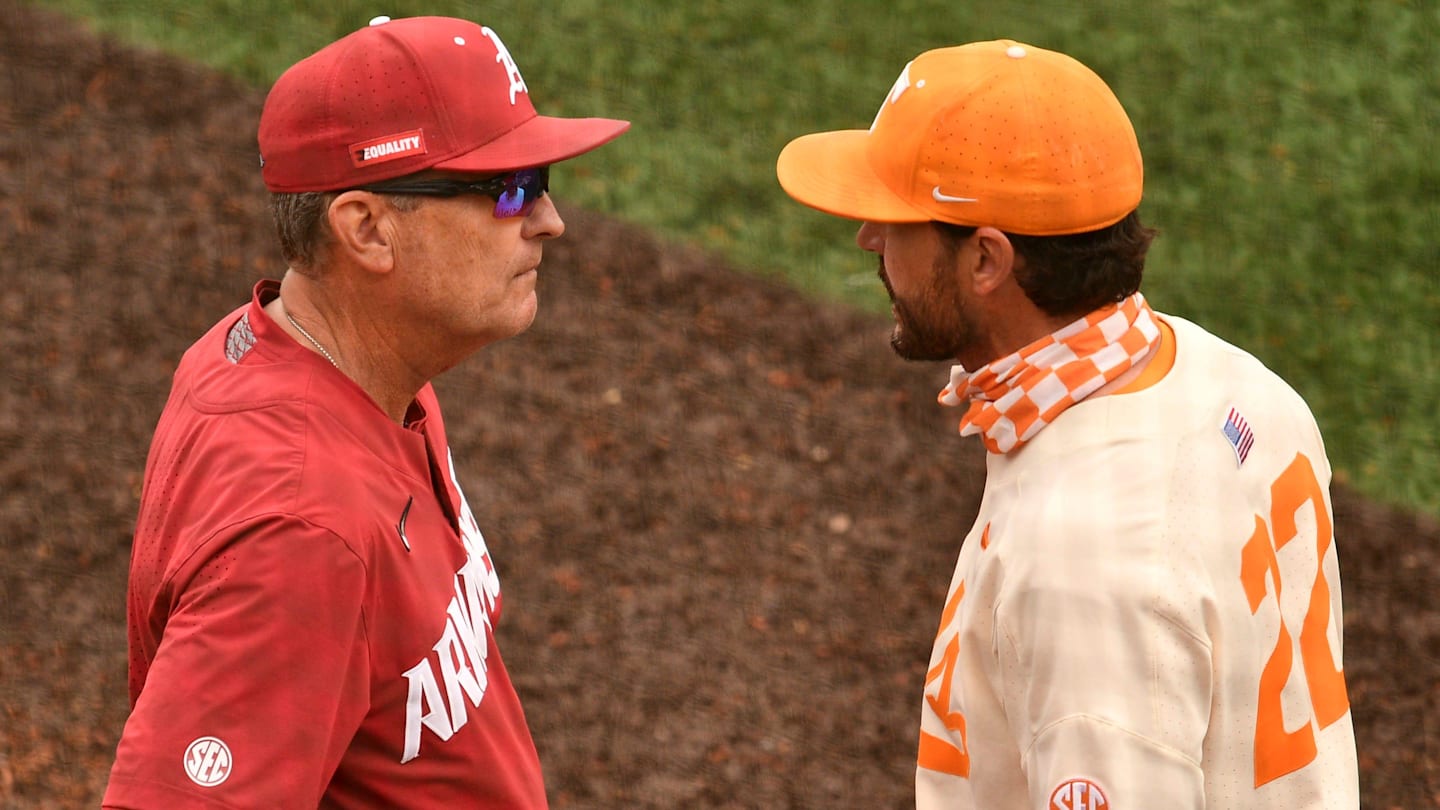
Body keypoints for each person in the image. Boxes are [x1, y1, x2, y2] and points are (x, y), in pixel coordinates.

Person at [776, 40, 1358, 809]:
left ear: (987, 260)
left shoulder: (1084, 568)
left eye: (895, 223)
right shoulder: (1238, 385)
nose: (869, 241)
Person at [103, 15, 627, 808]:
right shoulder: (302, 531)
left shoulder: (372, 373)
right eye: (510, 189)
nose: (549, 219)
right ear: (367, 229)